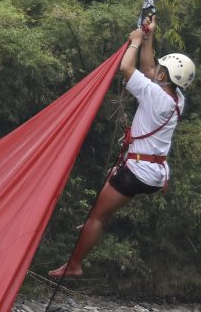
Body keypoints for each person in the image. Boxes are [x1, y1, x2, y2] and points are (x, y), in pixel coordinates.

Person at [49, 15, 193, 278]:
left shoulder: (154, 95)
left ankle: (74, 265)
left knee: (96, 216)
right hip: (152, 174)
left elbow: (127, 68)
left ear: (164, 76)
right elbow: (150, 70)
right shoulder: (177, 99)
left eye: (161, 69)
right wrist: (148, 36)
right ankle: (90, 232)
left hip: (137, 171)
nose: (155, 70)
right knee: (101, 214)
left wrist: (135, 42)